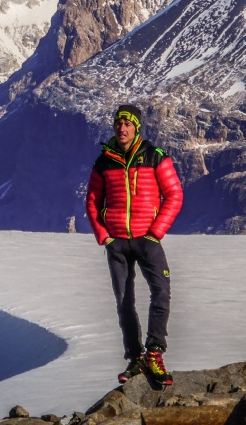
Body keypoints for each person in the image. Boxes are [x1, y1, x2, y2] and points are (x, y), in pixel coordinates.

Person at [85, 104, 184, 385]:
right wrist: (104, 236)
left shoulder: (155, 157)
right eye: (119, 123)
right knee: (124, 302)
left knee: (161, 293)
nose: (122, 128)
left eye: (128, 124)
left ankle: (154, 353)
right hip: (117, 243)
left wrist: (156, 231)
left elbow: (174, 195)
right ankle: (135, 358)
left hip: (147, 239)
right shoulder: (103, 161)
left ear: (137, 127)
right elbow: (93, 201)